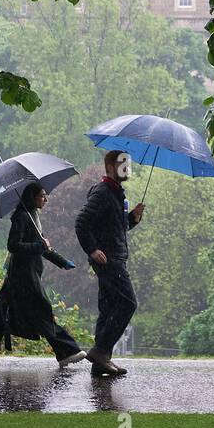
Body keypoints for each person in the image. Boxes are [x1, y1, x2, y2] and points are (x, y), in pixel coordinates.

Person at [0, 183, 86, 368]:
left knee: (1, 313)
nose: (45, 199)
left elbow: (42, 246)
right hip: (23, 277)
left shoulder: (33, 216)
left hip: (23, 275)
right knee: (42, 311)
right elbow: (13, 245)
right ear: (32, 197)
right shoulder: (22, 217)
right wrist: (40, 246)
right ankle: (67, 351)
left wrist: (60, 261)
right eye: (42, 196)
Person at [74, 150, 144, 376]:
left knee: (108, 308)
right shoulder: (104, 192)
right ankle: (101, 351)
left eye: (128, 164)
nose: (127, 168)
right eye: (122, 164)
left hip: (114, 256)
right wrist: (92, 249)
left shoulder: (115, 194)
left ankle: (100, 363)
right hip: (110, 260)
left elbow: (116, 228)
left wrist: (132, 219)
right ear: (110, 167)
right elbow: (82, 221)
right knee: (127, 304)